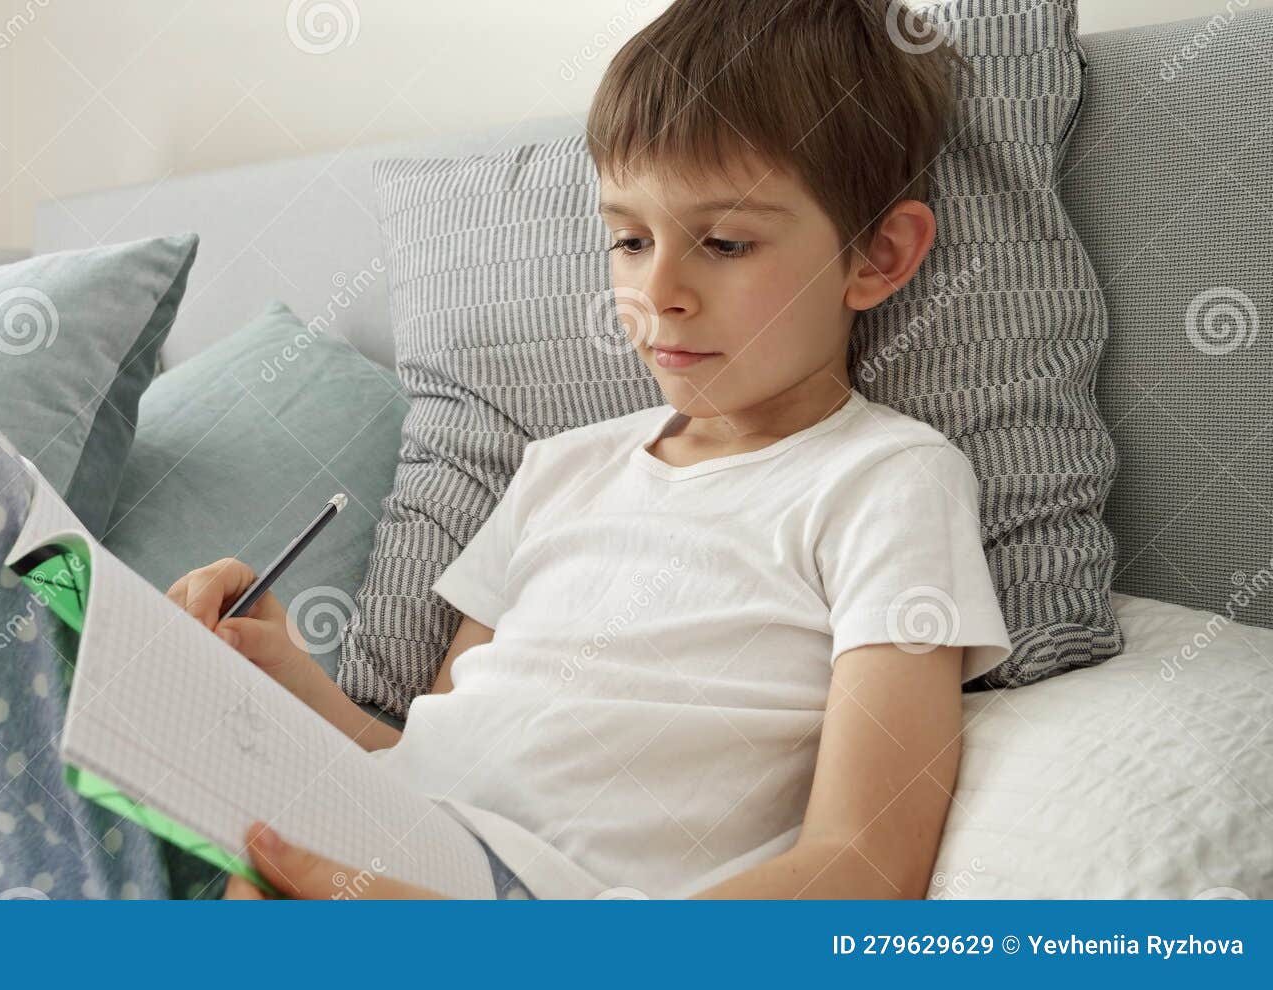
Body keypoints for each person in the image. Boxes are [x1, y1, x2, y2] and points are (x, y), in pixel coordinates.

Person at [201, 0, 1013, 899]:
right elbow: (435, 763)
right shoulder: (557, 467)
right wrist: (289, 680)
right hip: (391, 845)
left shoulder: (886, 481)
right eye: (629, 239)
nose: (656, 291)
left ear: (879, 256)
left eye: (726, 242)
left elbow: (863, 864)